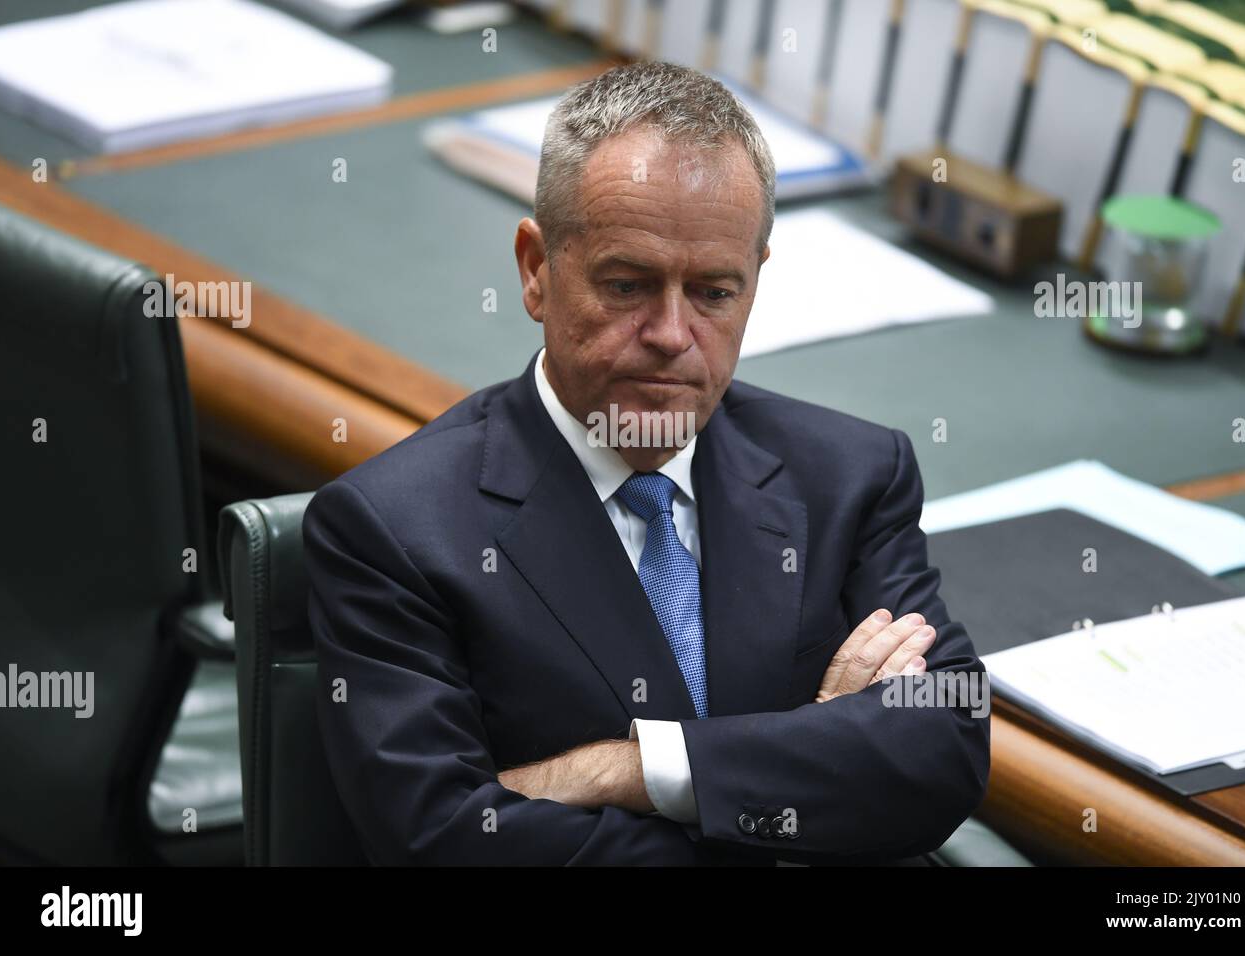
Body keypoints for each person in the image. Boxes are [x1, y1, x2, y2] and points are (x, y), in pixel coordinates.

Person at [304, 60, 989, 865]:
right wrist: (807, 760)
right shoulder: (394, 531)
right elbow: (449, 843)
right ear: (536, 269)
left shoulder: (849, 475)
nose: (671, 333)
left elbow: (944, 743)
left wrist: (634, 769)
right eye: (628, 286)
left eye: (713, 293)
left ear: (756, 281)